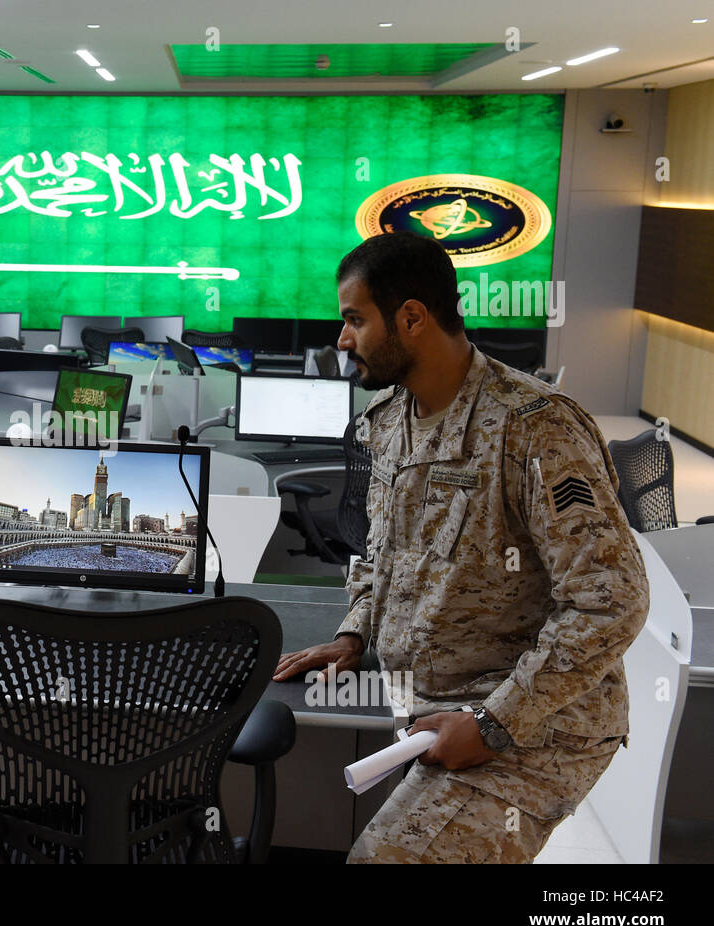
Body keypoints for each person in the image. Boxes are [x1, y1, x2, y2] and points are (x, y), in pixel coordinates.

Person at [273, 233, 649, 863]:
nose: (342, 341)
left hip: (536, 730)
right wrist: (354, 634)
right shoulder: (388, 421)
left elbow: (610, 603)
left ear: (412, 318)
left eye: (354, 320)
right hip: (430, 715)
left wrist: (493, 723)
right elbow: (381, 552)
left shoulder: (535, 427)